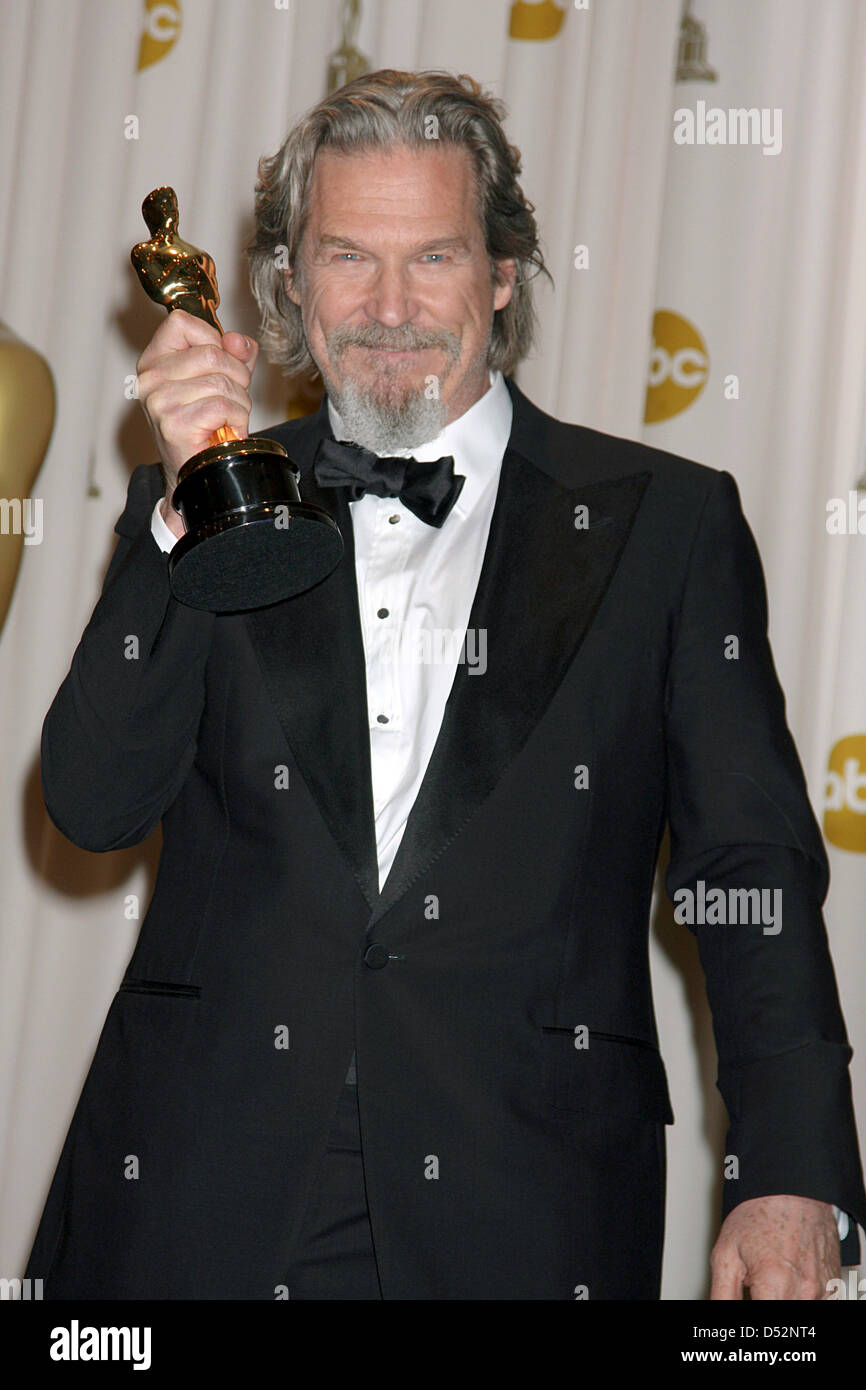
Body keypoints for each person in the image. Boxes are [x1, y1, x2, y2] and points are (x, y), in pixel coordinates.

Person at [26, 69, 865, 1300]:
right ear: (290, 285)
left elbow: (748, 873)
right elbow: (92, 805)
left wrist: (789, 1171)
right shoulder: (209, 506)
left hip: (527, 1206)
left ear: (503, 277)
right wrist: (182, 505)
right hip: (200, 1198)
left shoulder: (667, 525)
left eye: (434, 257)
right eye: (347, 258)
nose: (388, 306)